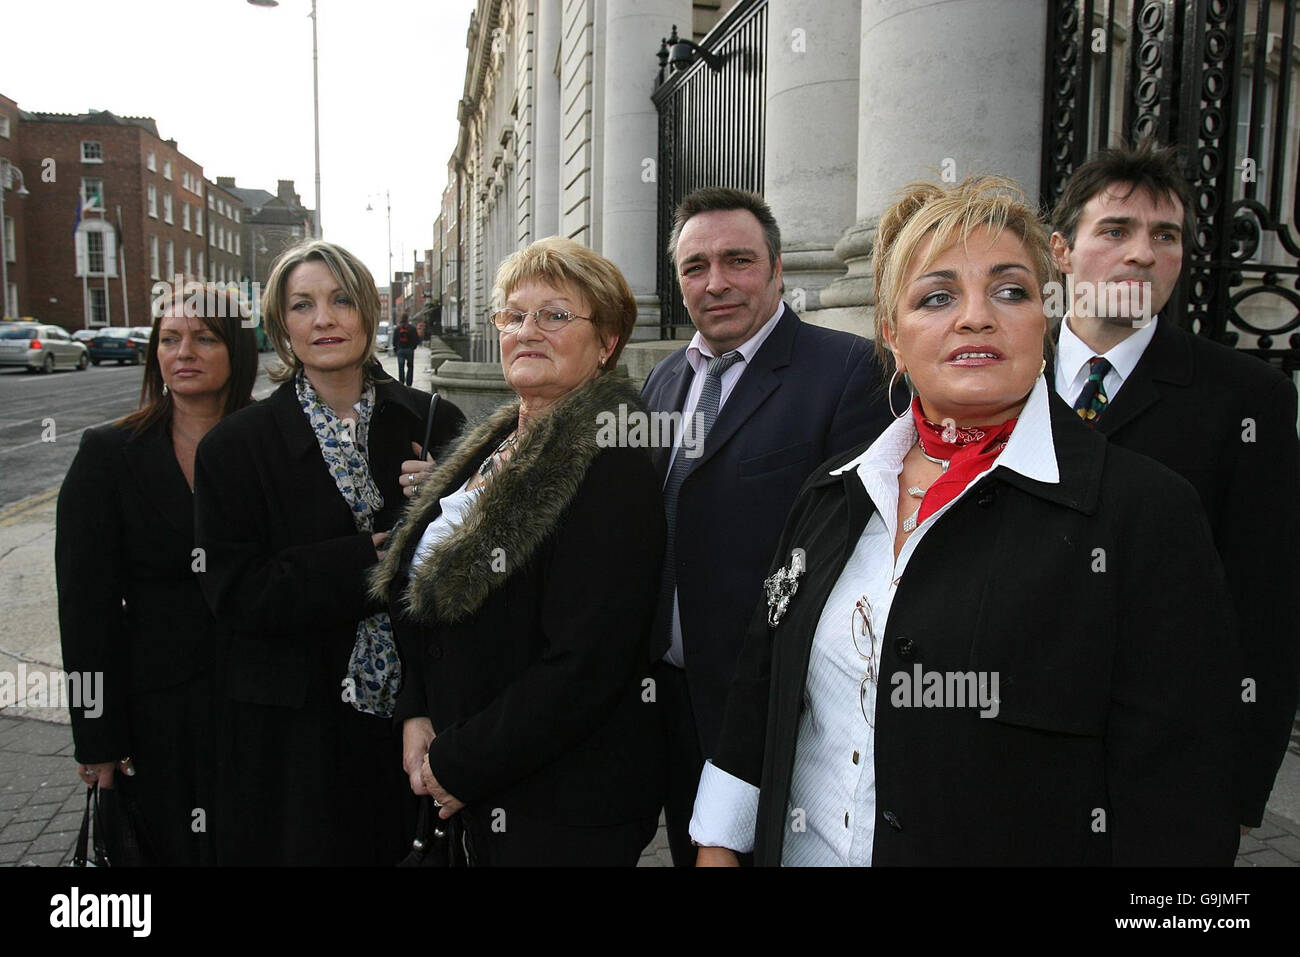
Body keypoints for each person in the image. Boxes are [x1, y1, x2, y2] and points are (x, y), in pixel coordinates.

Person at [692, 175, 1240, 866]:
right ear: (892, 333)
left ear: (1044, 318)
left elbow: (1180, 790)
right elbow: (760, 689)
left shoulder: (1143, 514)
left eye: (1010, 291)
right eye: (938, 296)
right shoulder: (831, 493)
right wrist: (717, 844)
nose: (976, 316)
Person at [369, 237, 665, 866]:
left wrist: (456, 762)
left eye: (556, 315)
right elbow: (424, 601)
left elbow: (587, 664)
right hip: (469, 779)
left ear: (607, 342)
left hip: (557, 806)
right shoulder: (499, 436)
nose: (528, 330)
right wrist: (415, 710)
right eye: (513, 315)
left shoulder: (610, 458)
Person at [1048, 141, 1300, 833]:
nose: (1142, 254)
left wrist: (1240, 785)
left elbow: (1267, 600)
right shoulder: (1004, 380)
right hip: (1013, 756)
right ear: (1062, 252)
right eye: (1115, 230)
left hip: (1164, 776)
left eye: (1166, 236)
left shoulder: (1248, 397)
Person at [640, 187, 892, 865]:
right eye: (695, 267)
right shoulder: (663, 382)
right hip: (671, 705)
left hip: (777, 712)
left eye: (738, 260)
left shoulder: (847, 372)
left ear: (778, 269)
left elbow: (854, 557)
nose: (715, 282)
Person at [193, 240, 465, 865]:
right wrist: (365, 560)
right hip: (294, 727)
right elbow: (233, 591)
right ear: (281, 325)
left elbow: (476, 573)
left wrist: (453, 504)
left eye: (342, 300)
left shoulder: (434, 421)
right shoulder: (237, 447)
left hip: (417, 711)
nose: (324, 319)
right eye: (302, 305)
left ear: (370, 311)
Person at [57, 284, 259, 865]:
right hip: (159, 712)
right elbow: (85, 608)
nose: (183, 352)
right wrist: (96, 736)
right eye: (169, 339)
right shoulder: (109, 453)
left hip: (264, 702)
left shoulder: (271, 440)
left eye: (203, 338)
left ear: (236, 352)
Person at [393, 311, 418, 387]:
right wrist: (413, 347)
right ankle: (409, 383)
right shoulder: (412, 328)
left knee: (401, 367)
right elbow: (416, 339)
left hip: (400, 350)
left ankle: (401, 382)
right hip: (409, 350)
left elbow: (394, 340)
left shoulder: (397, 329)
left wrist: (396, 349)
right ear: (407, 319)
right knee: (410, 366)